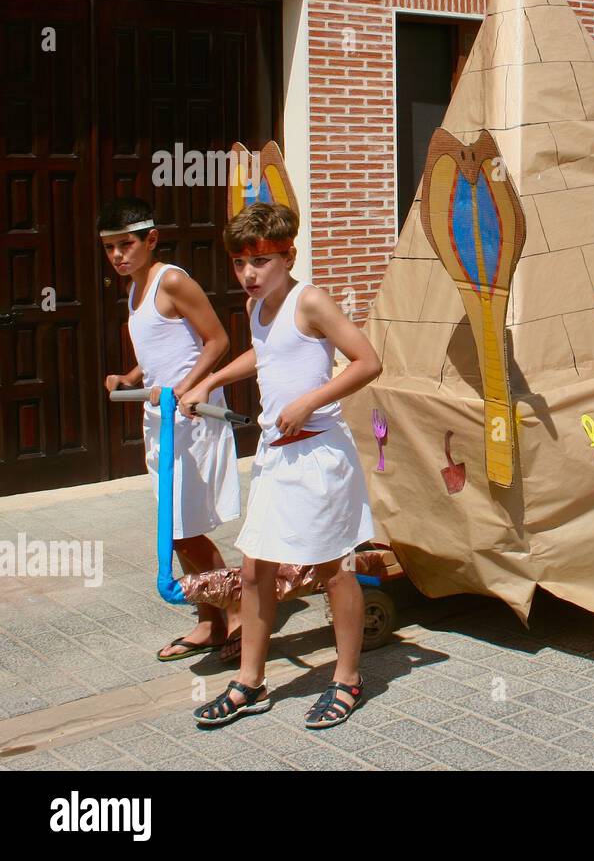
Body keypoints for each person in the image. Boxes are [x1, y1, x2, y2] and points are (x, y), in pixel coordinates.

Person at [183, 203, 382, 729]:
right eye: (239, 263)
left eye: (262, 261)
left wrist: (309, 402)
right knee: (255, 570)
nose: (249, 273)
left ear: (289, 254)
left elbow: (368, 361)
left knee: (333, 570)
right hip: (276, 456)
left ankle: (347, 678)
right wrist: (210, 380)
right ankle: (250, 680)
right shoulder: (259, 306)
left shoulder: (309, 300)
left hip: (319, 455)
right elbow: (264, 355)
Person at [98, 197, 242, 663]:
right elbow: (159, 348)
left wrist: (187, 387)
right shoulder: (134, 289)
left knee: (184, 528)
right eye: (110, 248)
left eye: (126, 245)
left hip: (192, 417)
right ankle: (208, 620)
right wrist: (130, 378)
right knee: (174, 527)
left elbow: (218, 339)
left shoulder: (172, 279)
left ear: (151, 240)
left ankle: (237, 614)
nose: (119, 256)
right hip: (160, 416)